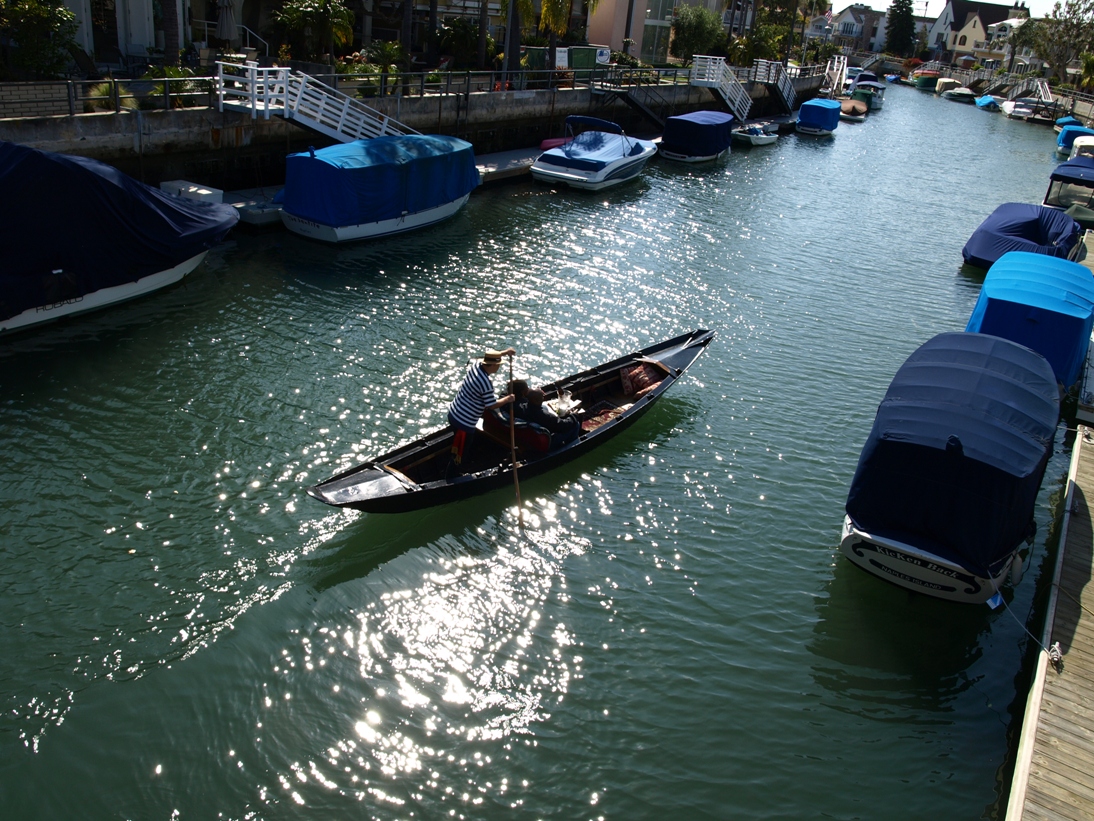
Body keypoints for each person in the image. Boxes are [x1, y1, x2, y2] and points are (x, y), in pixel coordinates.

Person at [447, 347, 516, 462]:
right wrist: (508, 399)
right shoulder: (485, 383)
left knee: (458, 446)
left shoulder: (476, 365)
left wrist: (505, 352)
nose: (499, 366)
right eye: (498, 364)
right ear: (493, 365)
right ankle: (454, 473)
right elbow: (491, 405)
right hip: (465, 422)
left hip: (454, 412)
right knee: (460, 453)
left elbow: (490, 357)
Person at [509, 381, 580, 450]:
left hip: (531, 436)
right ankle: (572, 447)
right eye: (542, 397)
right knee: (576, 425)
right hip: (548, 442)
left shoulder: (519, 407)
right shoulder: (544, 416)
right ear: (535, 400)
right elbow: (562, 425)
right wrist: (574, 415)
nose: (543, 399)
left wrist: (534, 392)